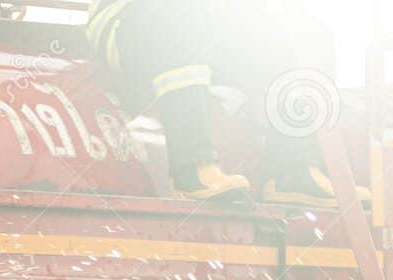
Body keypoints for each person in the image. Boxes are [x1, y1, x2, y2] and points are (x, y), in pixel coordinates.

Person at [85, 0, 368, 207]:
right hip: (132, 20)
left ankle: (293, 172)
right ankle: (192, 171)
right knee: (183, 13)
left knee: (306, 33)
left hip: (208, 21)